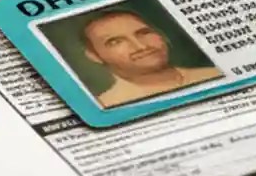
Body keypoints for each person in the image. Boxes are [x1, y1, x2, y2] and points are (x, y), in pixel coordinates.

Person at [80, 9, 221, 108]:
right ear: (94, 56)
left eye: (144, 33)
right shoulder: (107, 105)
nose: (141, 46)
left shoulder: (214, 74)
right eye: (115, 42)